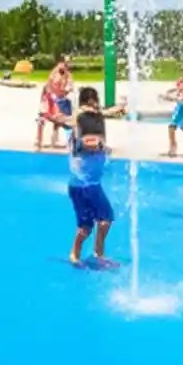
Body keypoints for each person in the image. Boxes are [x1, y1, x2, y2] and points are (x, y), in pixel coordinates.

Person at [54, 86, 126, 265]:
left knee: (86, 227)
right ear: (91, 101)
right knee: (105, 219)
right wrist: (102, 146)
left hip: (80, 184)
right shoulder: (82, 122)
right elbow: (88, 143)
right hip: (87, 185)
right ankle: (97, 254)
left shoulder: (86, 120)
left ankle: (76, 254)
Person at [35, 58, 73, 150]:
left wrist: (66, 90)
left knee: (57, 119)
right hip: (49, 97)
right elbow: (48, 85)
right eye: (65, 63)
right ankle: (39, 140)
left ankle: (54, 139)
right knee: (42, 117)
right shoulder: (55, 72)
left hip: (57, 98)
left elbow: (68, 87)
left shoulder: (68, 75)